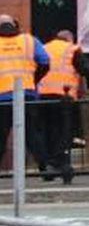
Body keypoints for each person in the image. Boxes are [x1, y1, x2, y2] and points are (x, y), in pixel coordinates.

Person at [37, 30, 89, 178]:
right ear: (69, 39)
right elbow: (86, 69)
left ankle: (47, 165)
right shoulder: (72, 49)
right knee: (64, 131)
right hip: (64, 96)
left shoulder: (44, 48)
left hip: (43, 95)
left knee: (47, 130)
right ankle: (61, 163)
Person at [0, 15, 50, 175]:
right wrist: (34, 80)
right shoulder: (30, 41)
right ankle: (44, 167)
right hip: (26, 93)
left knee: (1, 134)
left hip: (2, 96)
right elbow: (45, 62)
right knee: (32, 133)